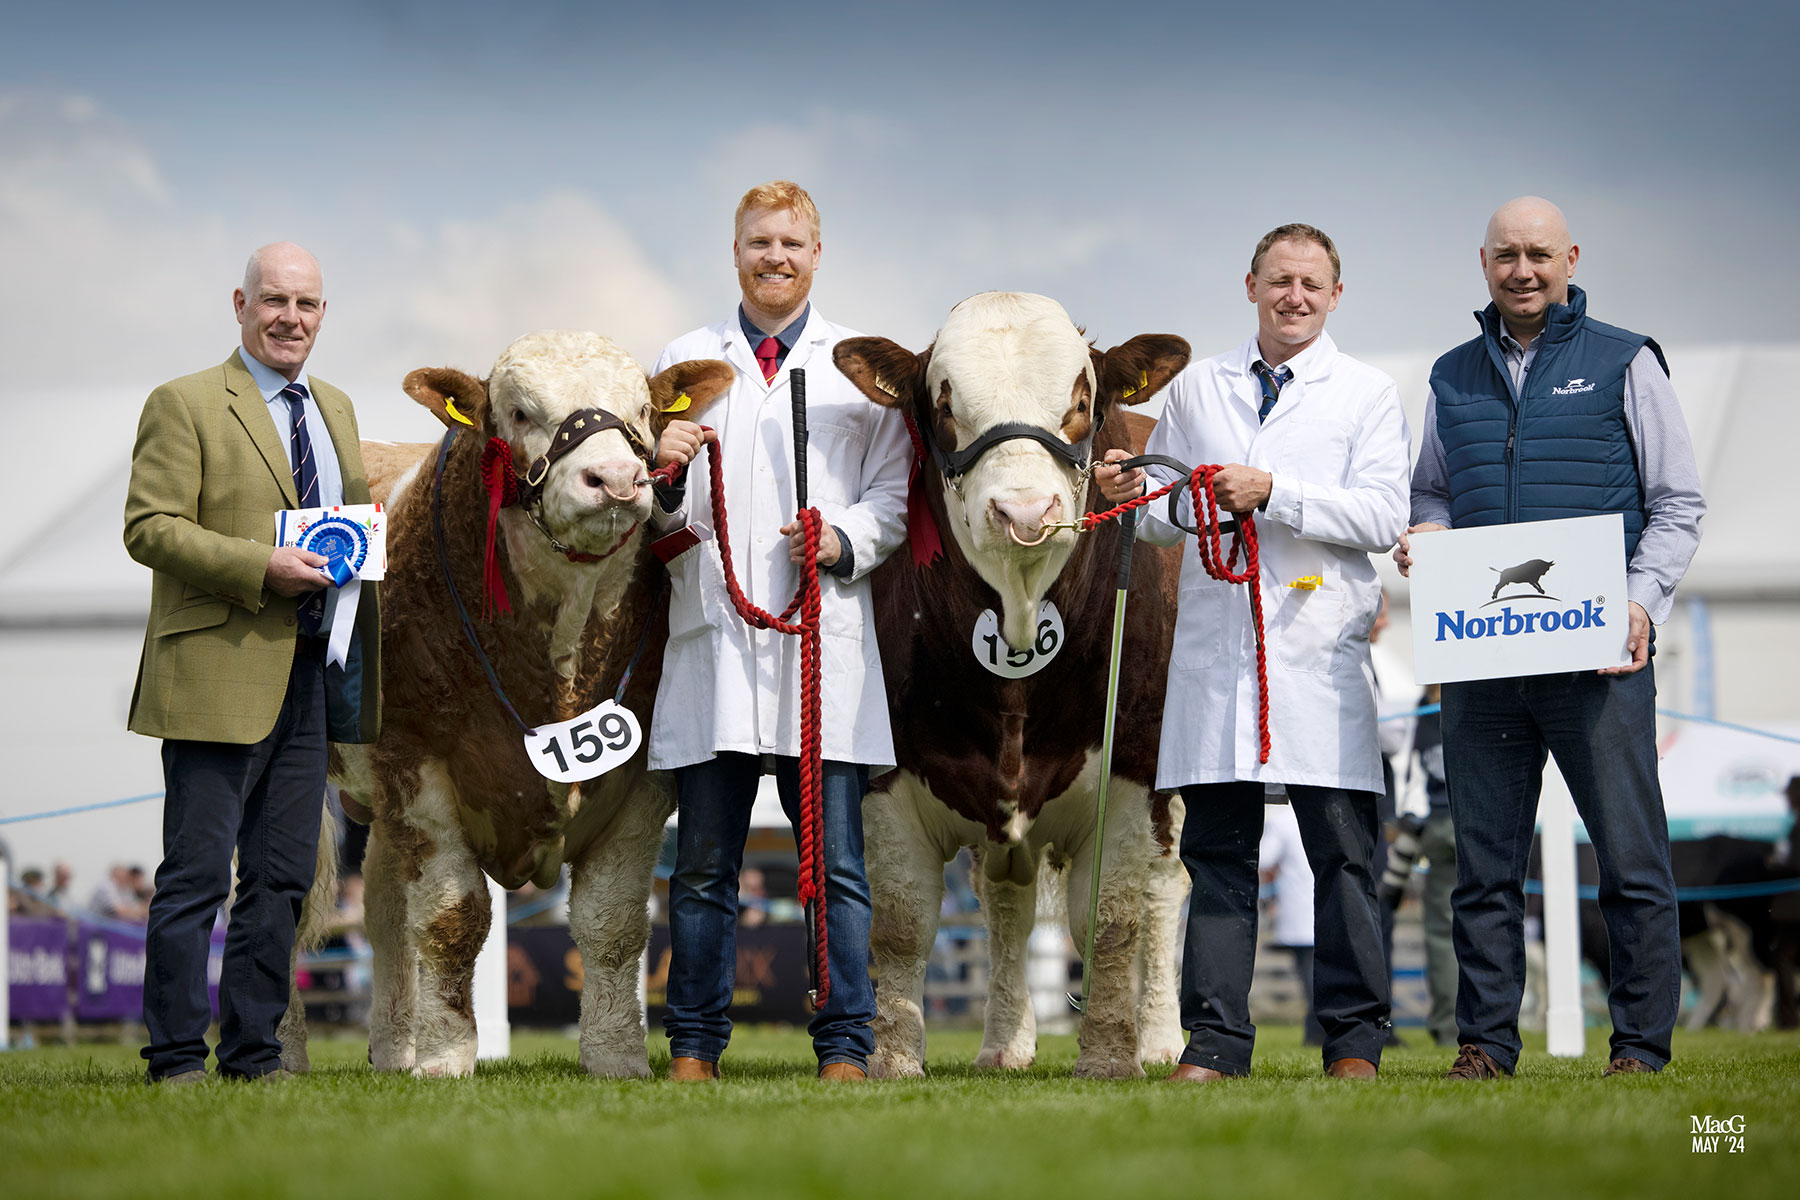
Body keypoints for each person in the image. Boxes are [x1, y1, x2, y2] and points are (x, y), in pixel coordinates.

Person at [1394, 197, 1705, 1079]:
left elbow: (1679, 504)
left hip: (1600, 656)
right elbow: (1432, 495)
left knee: (1630, 860)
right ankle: (1486, 1046)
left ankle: (1640, 1049)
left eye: (1538, 254)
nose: (1522, 270)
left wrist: (1640, 605)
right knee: (1482, 868)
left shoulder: (1627, 359)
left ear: (1569, 257)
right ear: (1482, 262)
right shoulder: (1450, 374)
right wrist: (1431, 538)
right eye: (1505, 256)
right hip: (1485, 661)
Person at [1097, 223, 1410, 1081]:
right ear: (1251, 286)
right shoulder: (1199, 390)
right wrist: (1132, 493)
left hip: (1318, 656)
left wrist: (1277, 492)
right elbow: (1169, 516)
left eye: (1311, 283)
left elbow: (1384, 515)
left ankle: (1353, 1043)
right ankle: (1216, 1043)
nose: (1295, 296)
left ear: (1335, 295)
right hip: (1221, 656)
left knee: (1343, 856)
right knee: (1219, 858)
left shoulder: (1367, 394)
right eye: (1280, 281)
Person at [648, 181, 910, 1082]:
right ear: (736, 252)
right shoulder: (686, 361)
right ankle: (694, 1047)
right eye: (761, 242)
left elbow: (892, 501)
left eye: (792, 243)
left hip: (820, 643)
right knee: (704, 865)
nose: (776, 257)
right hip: (716, 639)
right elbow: (648, 513)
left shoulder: (858, 368)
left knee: (835, 865)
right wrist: (664, 466)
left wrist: (843, 539)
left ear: (816, 254)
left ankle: (845, 1046)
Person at [125, 242, 381, 1085]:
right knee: (195, 878)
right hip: (216, 673)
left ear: (322, 315)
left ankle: (255, 1054)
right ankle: (171, 1059)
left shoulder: (336, 408)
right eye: (275, 301)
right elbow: (151, 527)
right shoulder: (186, 402)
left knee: (279, 883)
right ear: (240, 304)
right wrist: (256, 564)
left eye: (307, 305)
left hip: (312, 674)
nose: (290, 319)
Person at [1259, 801, 1324, 1045]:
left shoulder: (1282, 819)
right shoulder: (1319, 809)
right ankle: (1316, 1031)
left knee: (1310, 978)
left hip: (1299, 912)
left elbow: (1265, 860)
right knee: (1320, 975)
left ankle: (1317, 1033)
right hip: (1319, 908)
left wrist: (1268, 897)